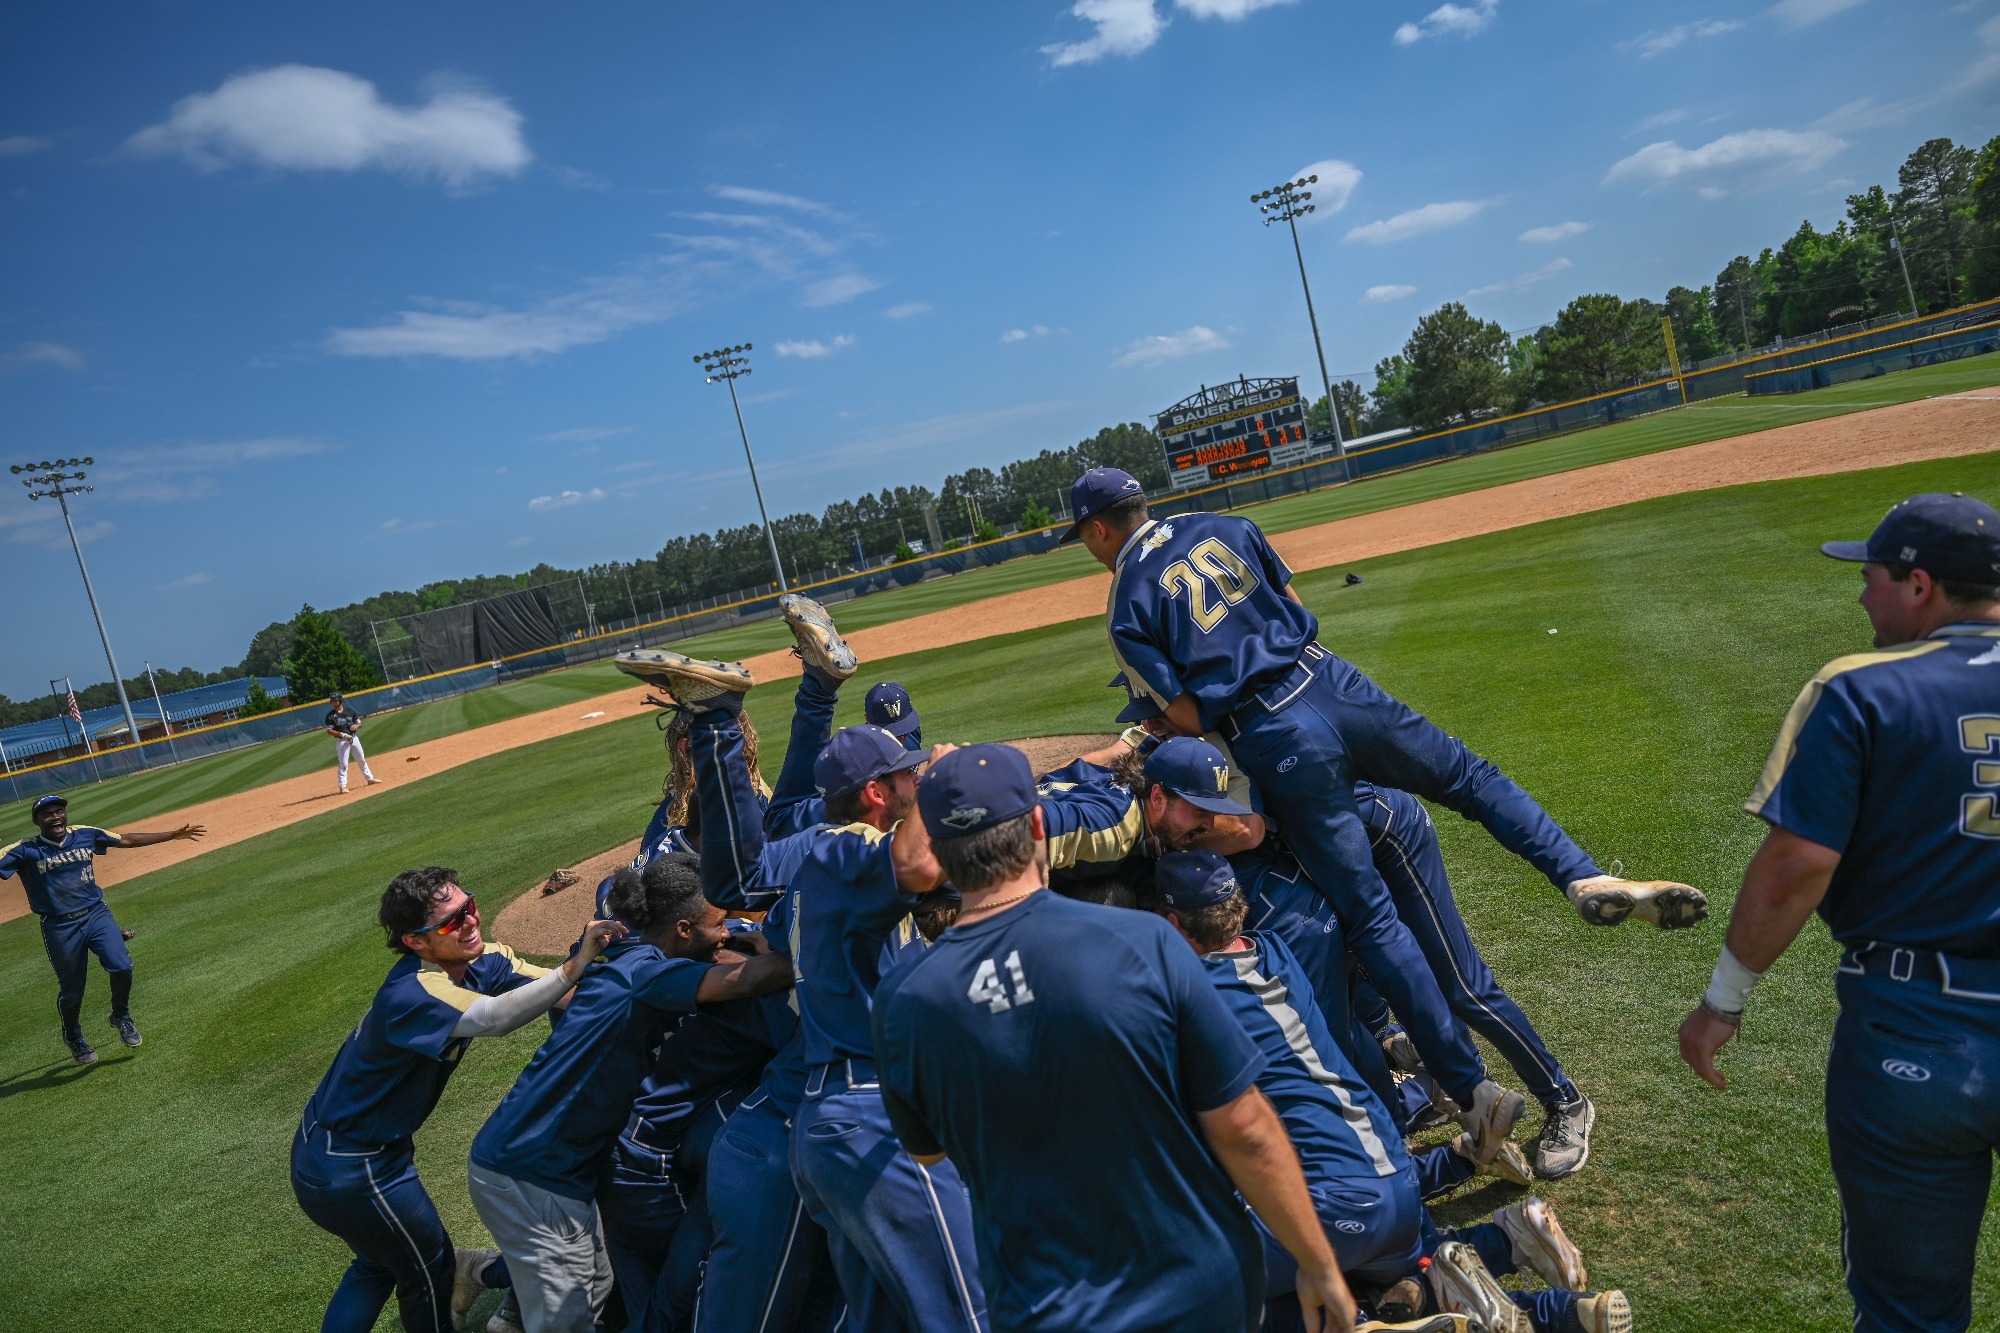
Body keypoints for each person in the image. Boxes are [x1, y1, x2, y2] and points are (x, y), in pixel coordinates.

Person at [1068, 466, 1701, 1159]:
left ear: (1099, 529)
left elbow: (1188, 713)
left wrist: (1162, 725)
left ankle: (1482, 1090)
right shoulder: (1224, 525)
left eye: (1085, 539)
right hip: (1331, 678)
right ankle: (1578, 874)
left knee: (1378, 927)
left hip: (1278, 736)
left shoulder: (1128, 598)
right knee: (1470, 775)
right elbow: (1292, 599)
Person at [872, 744, 1355, 1333]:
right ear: (1033, 825)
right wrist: (1316, 1260)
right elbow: (1244, 1126)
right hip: (1198, 1283)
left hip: (1044, 1308)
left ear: (943, 852)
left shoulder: (904, 1001)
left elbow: (929, 1153)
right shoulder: (1147, 942)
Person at [1678, 492, 2000, 1333]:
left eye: (1871, 579)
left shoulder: (1858, 688)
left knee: (1908, 1316)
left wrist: (1722, 1002)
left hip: (1918, 1032)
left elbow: (1796, 867)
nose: (1861, 599)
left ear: (1919, 585)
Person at [1153, 850, 1631, 1333]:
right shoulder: (1275, 949)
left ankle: (1372, 1319)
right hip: (1395, 1177)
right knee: (1407, 1282)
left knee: (1189, 1293)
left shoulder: (1186, 995)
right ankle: (1552, 1299)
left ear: (1171, 923)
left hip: (1333, 1199)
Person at [468, 854, 792, 1333]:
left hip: (537, 1160)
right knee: (569, 1319)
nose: (726, 932)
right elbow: (754, 978)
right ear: (683, 928)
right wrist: (787, 946)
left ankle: (501, 1294)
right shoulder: (650, 978)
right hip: (533, 1169)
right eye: (718, 923)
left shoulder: (625, 956)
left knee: (597, 1287)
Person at [292, 867, 622, 1333]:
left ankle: (485, 1273)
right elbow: (495, 1017)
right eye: (451, 922)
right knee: (427, 1273)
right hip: (352, 1166)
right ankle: (480, 1275)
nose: (469, 922)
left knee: (378, 1265)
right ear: (415, 942)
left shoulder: (482, 960)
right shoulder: (411, 992)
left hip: (337, 1150)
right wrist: (575, 964)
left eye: (468, 907)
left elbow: (558, 991)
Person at [1, 794, 204, 1064]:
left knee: (121, 966)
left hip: (96, 914)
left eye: (59, 811)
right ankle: (73, 1035)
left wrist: (172, 835)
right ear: (37, 820)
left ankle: (120, 1015)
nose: (56, 817)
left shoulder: (85, 834)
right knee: (72, 991)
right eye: (48, 814)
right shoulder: (24, 849)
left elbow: (126, 839)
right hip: (59, 926)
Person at [325, 691, 380, 794]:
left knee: (361, 760)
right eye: (332, 700)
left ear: (340, 700)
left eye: (335, 700)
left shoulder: (350, 711)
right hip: (342, 741)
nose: (333, 702)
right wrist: (342, 734)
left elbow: (360, 724)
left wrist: (357, 726)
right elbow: (329, 731)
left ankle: (370, 779)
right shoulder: (330, 716)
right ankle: (342, 786)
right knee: (344, 764)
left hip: (354, 739)